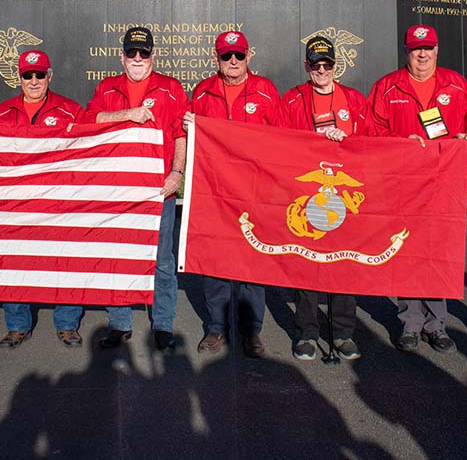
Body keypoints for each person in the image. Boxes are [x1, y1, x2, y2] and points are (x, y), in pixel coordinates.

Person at [365, 24, 467, 354]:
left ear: (437, 50)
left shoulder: (456, 85)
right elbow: (372, 131)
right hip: (405, 185)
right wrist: (401, 142)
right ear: (407, 52)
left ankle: (437, 324)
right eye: (416, 49)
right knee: (408, 251)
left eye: (428, 48)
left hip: (445, 184)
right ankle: (411, 322)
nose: (423, 54)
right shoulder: (387, 87)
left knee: (438, 251)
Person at [84, 26, 189, 351]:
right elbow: (89, 121)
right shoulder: (107, 87)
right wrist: (126, 114)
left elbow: (181, 134)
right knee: (118, 256)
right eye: (132, 53)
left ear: (152, 55)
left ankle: (163, 324)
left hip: (158, 189)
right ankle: (120, 323)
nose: (138, 58)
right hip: (118, 191)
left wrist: (177, 173)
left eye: (144, 53)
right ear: (122, 57)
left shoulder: (171, 88)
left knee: (162, 260)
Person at [186, 30, 280, 358]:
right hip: (215, 190)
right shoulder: (202, 92)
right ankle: (217, 327)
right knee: (214, 259)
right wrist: (190, 126)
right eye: (227, 56)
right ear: (216, 58)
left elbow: (282, 138)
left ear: (249, 56)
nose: (234, 61)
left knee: (254, 258)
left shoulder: (266, 90)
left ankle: (251, 330)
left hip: (254, 189)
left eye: (239, 54)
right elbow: (195, 139)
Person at [0, 49, 87, 348]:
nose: (33, 80)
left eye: (39, 74)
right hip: (16, 202)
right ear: (19, 78)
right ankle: (17, 326)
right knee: (14, 261)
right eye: (27, 75)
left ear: (49, 76)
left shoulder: (71, 111)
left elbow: (86, 153)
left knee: (65, 260)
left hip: (58, 201)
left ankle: (67, 324)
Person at [278, 34, 371, 361]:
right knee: (306, 262)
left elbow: (371, 143)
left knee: (343, 262)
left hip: (343, 195)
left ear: (335, 65)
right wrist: (312, 140)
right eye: (316, 64)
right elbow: (279, 142)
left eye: (327, 64)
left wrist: (348, 141)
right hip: (306, 195)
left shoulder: (354, 100)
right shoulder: (292, 100)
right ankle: (307, 331)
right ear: (307, 65)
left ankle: (343, 332)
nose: (321, 70)